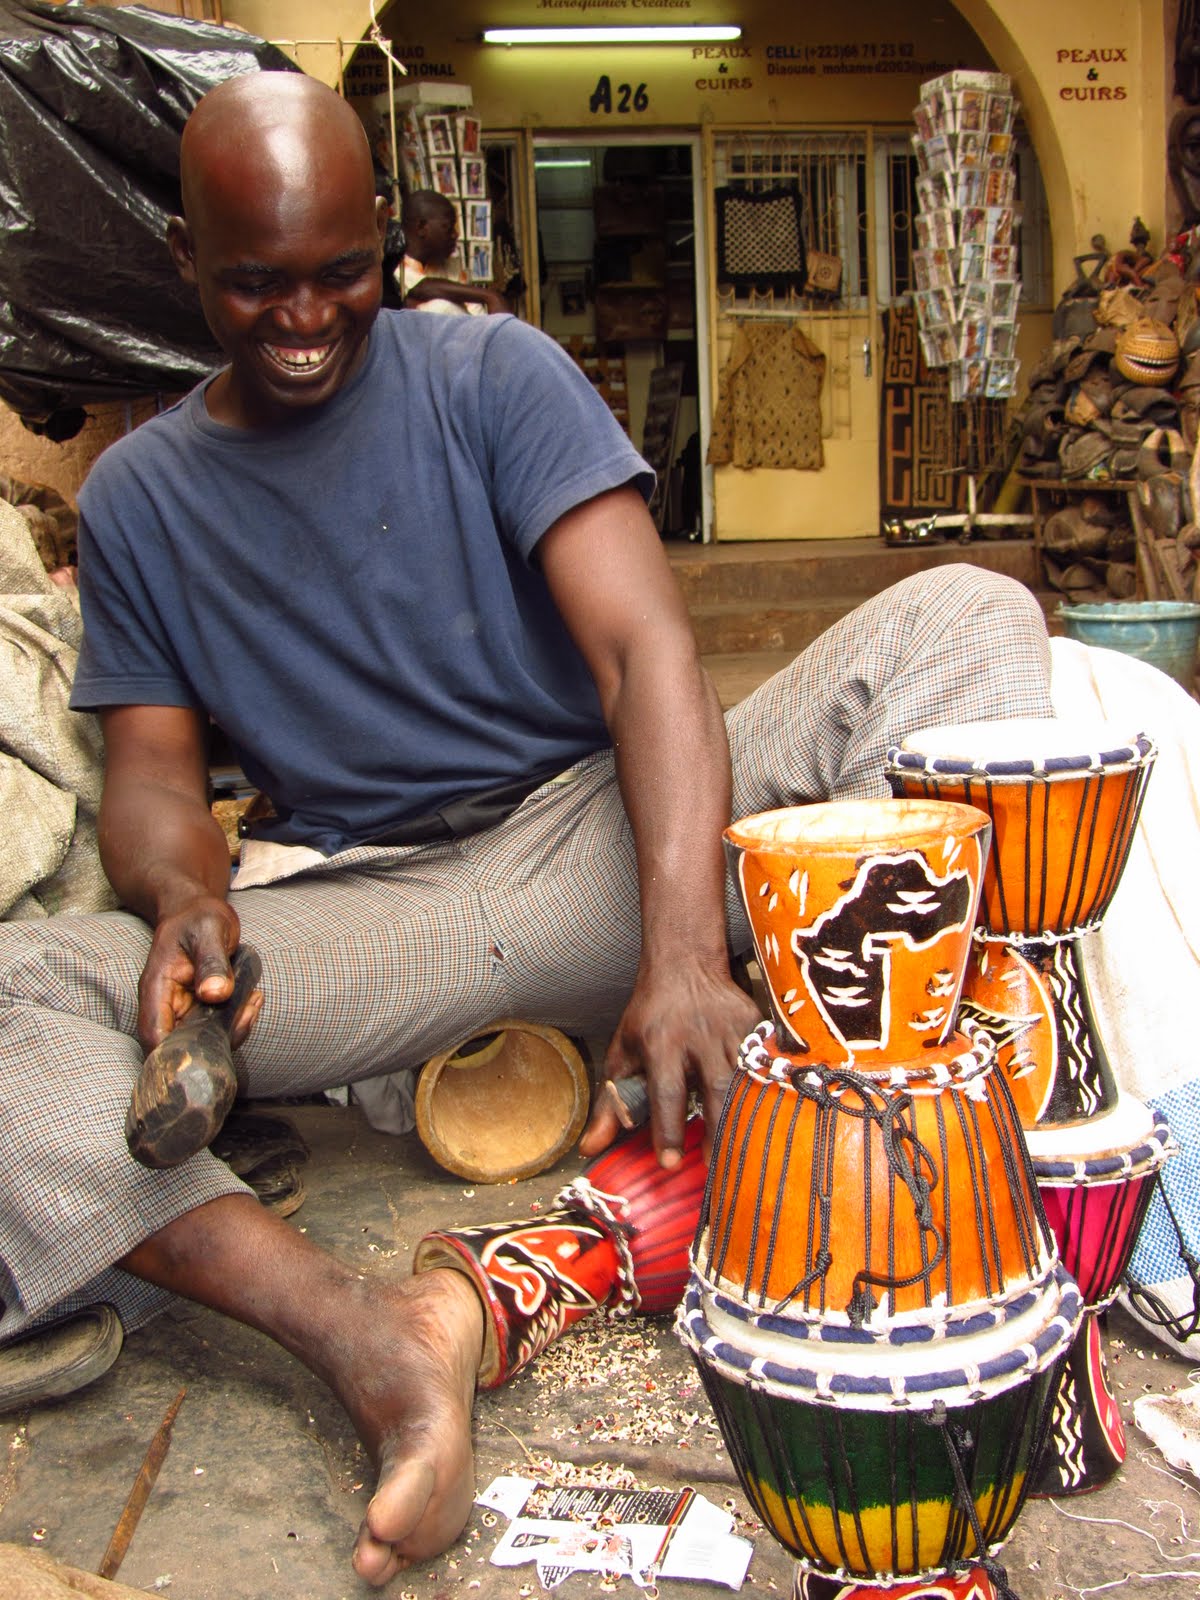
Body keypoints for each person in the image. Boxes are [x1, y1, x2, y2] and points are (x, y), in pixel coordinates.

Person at [0, 72, 1056, 1587]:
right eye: (254, 284)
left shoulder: (495, 377)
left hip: (615, 845)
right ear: (184, 258)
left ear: (385, 238)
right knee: (21, 989)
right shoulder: (143, 497)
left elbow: (647, 663)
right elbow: (157, 781)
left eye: (339, 274)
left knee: (969, 616)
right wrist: (181, 899)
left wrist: (686, 950)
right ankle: (371, 1341)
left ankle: (883, 1128)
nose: (304, 317)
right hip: (391, 917)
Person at [398, 188, 507, 315]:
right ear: (421, 227)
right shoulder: (395, 270)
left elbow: (477, 315)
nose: (455, 235)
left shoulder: (452, 267)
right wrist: (489, 296)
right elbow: (418, 289)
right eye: (449, 228)